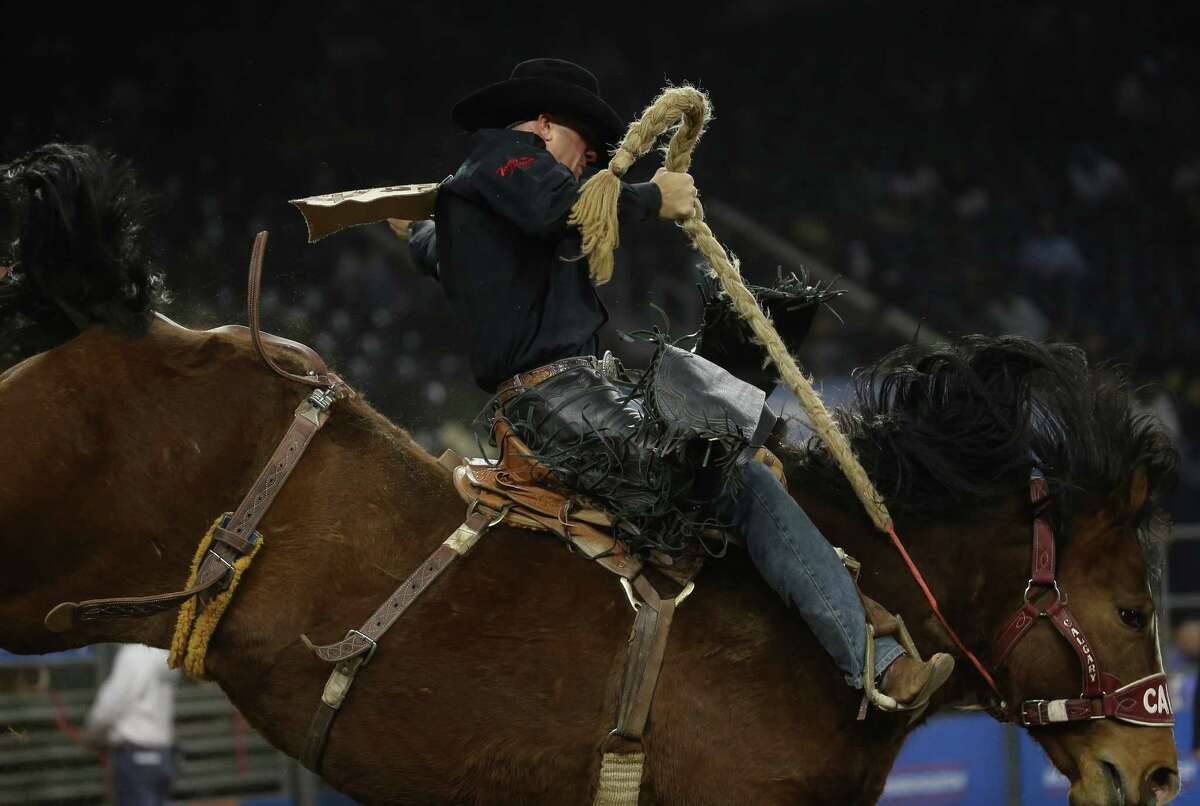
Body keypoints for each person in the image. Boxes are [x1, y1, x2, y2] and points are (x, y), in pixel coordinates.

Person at [390, 57, 953, 711]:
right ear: (543, 127)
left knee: (730, 433)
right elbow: (558, 208)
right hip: (558, 402)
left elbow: (454, 256)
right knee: (740, 481)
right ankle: (876, 665)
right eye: (585, 148)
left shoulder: (481, 203)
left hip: (570, 395)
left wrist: (422, 236)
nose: (589, 163)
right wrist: (655, 197)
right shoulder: (504, 158)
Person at [84, 644, 181, 805]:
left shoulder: (134, 654)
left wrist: (92, 734)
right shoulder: (165, 654)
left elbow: (111, 703)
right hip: (163, 755)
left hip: (135, 757)